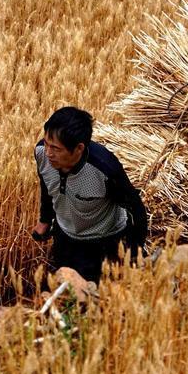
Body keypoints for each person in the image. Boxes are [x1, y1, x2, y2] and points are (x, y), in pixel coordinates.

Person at [32, 107, 148, 284]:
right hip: (64, 237)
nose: (48, 153)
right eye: (46, 143)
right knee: (68, 294)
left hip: (102, 242)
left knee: (95, 300)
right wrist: (45, 220)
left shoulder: (104, 169)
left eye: (55, 148)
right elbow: (48, 187)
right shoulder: (41, 153)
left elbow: (136, 208)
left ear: (79, 148)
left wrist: (133, 253)